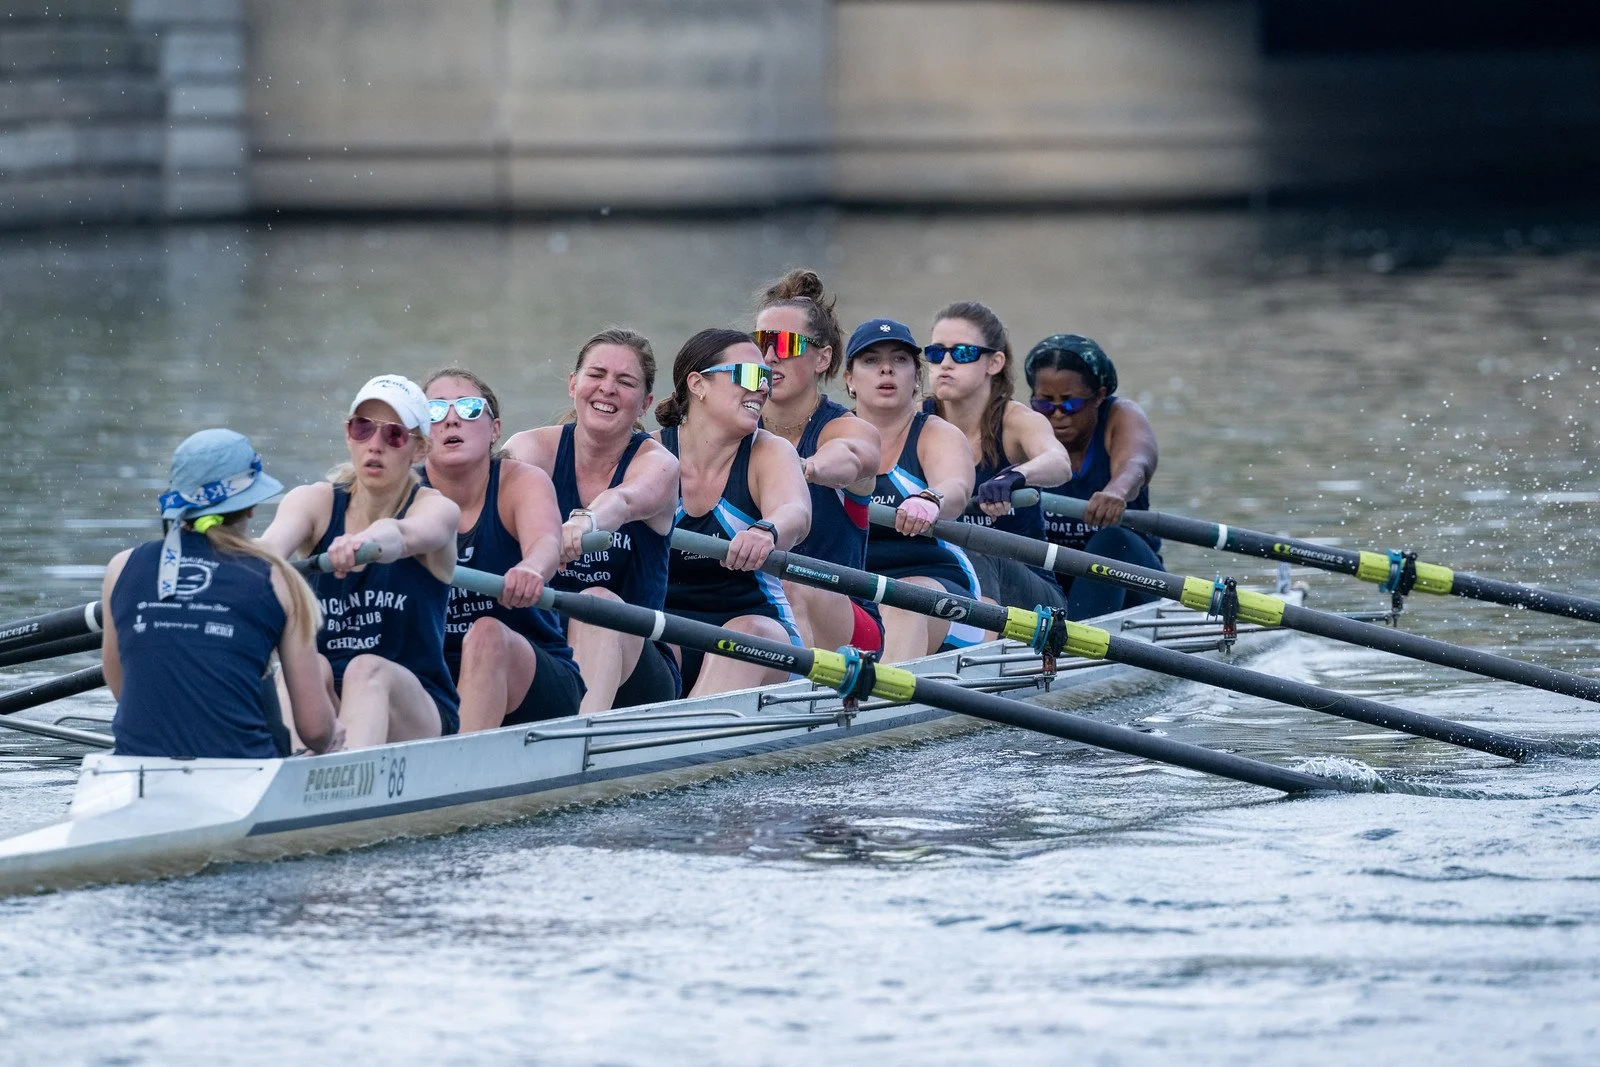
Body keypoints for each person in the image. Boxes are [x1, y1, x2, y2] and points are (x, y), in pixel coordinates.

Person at [102, 429, 342, 758]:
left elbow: (121, 688)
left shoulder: (121, 568)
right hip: (243, 776)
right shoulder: (278, 579)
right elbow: (315, 731)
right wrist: (334, 732)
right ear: (250, 508)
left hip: (134, 773)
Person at [261, 374, 462, 748]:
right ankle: (291, 781)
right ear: (348, 434)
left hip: (416, 707)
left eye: (394, 435)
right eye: (362, 428)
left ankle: (341, 789)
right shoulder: (314, 502)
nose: (375, 445)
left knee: (365, 669)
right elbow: (269, 550)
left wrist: (364, 541)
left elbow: (401, 535)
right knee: (305, 668)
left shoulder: (437, 509)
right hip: (322, 702)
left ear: (418, 450)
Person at [505, 329, 682, 712]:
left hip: (637, 671)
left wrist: (582, 525)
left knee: (596, 602)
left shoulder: (659, 464)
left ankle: (578, 747)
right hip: (547, 655)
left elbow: (623, 500)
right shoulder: (529, 449)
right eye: (596, 375)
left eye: (625, 382)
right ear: (573, 384)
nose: (607, 389)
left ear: (645, 403)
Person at [420, 368, 587, 729]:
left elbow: (545, 541)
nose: (451, 420)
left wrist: (531, 569)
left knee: (486, 632)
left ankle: (457, 773)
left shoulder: (520, 481)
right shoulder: (403, 493)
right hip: (433, 677)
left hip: (531, 675)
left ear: (495, 429)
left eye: (467, 408)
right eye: (434, 411)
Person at [653, 328, 810, 696]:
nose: (763, 389)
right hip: (666, 634)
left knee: (746, 634)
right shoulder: (651, 454)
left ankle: (685, 741)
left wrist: (765, 531)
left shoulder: (769, 452)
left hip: (755, 638)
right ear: (698, 384)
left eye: (767, 379)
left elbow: (796, 511)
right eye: (751, 375)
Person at [753, 269, 883, 653]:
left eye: (787, 344)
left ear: (823, 358)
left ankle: (799, 702)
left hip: (846, 622)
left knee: (792, 580)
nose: (770, 356)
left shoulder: (846, 430)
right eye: (761, 342)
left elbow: (848, 456)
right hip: (751, 613)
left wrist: (804, 468)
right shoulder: (734, 428)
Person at [843, 317, 980, 661]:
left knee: (903, 599)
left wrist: (931, 498)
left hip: (937, 586)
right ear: (849, 380)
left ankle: (882, 709)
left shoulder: (934, 433)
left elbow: (957, 487)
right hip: (853, 584)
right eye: (871, 360)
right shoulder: (831, 434)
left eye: (900, 360)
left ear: (917, 378)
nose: (886, 369)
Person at [925, 301, 1073, 614]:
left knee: (978, 546)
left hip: (1032, 593)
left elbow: (1059, 462)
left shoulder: (1016, 421)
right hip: (944, 580)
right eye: (936, 353)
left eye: (962, 353)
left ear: (994, 363)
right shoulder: (915, 423)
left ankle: (977, 647)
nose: (945, 363)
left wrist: (1016, 476)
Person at [1026, 333, 1164, 619]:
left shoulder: (1120, 416)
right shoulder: (1025, 428)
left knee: (1112, 541)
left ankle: (1071, 650)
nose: (1057, 415)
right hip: (1055, 590)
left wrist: (1117, 492)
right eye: (1044, 404)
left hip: (1133, 586)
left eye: (1070, 403)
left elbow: (1138, 462)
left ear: (1099, 396)